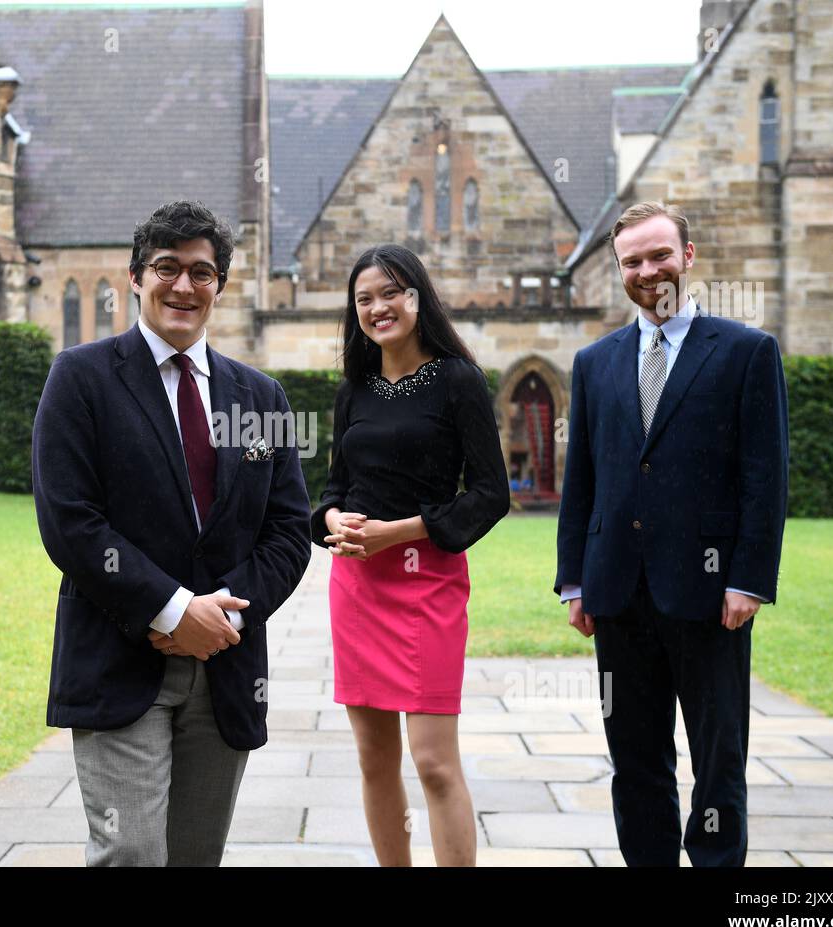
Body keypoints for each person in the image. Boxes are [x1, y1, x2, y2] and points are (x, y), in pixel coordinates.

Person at [32, 200, 312, 866]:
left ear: (220, 285)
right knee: (130, 852)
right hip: (119, 659)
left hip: (225, 666)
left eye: (202, 272)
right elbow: (70, 522)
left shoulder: (261, 397)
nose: (184, 286)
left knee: (194, 857)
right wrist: (172, 607)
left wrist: (222, 618)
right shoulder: (82, 379)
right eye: (166, 268)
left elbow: (288, 531)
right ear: (135, 276)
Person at [554, 201, 789, 867]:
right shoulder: (595, 362)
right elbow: (584, 480)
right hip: (618, 592)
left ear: (687, 258)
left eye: (660, 255)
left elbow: (765, 477)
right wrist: (574, 580)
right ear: (618, 271)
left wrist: (749, 578)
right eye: (633, 260)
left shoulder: (746, 352)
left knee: (719, 761)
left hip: (712, 595)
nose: (647, 269)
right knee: (635, 761)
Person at [311, 243, 509, 866]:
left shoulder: (458, 380)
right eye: (364, 299)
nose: (378, 308)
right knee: (375, 759)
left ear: (418, 297)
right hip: (358, 587)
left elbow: (490, 494)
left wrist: (398, 533)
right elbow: (333, 489)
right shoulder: (354, 390)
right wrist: (333, 518)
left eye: (391, 293)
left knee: (433, 762)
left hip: (429, 582)